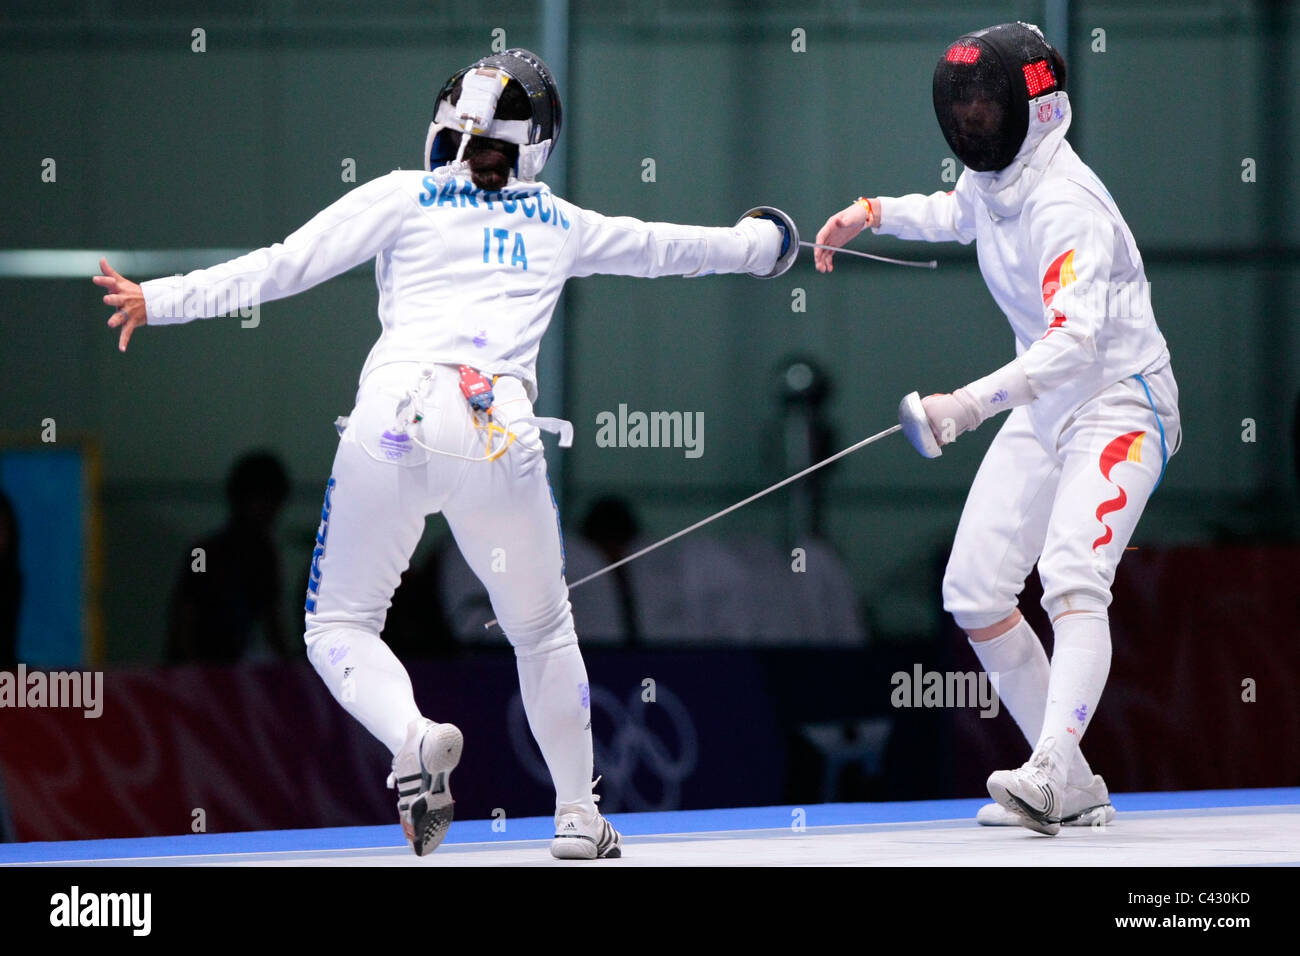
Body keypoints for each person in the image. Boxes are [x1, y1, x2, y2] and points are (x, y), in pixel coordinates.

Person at [94, 48, 793, 858]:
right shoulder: (563, 223)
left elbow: (283, 268)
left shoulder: (401, 195)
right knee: (542, 632)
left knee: (339, 625)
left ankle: (414, 735)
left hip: (391, 418)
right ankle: (576, 817)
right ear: (537, 143)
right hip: (497, 428)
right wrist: (767, 242)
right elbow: (678, 249)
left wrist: (161, 299)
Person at [815, 22, 1181, 834]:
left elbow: (1075, 339)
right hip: (1046, 406)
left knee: (1072, 577)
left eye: (989, 100)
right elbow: (955, 211)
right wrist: (871, 212)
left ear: (1036, 107)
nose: (974, 115)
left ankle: (1051, 763)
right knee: (974, 588)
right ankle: (1075, 781)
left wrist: (966, 405)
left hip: (1120, 405)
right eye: (965, 101)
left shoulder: (1068, 204)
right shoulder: (1001, 181)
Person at [166, 451, 291, 664]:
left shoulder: (263, 556)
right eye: (264, 501)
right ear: (241, 499)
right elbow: (186, 613)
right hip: (199, 671)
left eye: (273, 503)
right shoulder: (203, 553)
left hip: (228, 672)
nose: (270, 512)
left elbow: (271, 620)